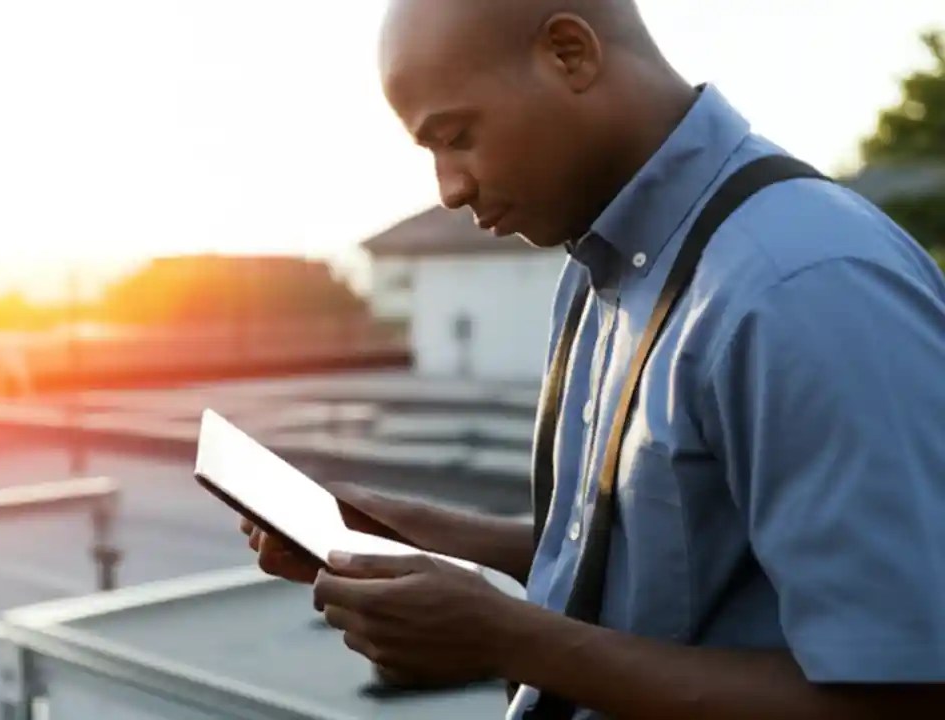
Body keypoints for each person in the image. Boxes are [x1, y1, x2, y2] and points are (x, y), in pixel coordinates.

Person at [239, 0, 945, 717]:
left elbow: (903, 701)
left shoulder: (804, 286)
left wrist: (509, 640)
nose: (450, 188)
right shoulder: (604, 268)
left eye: (456, 137)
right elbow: (664, 554)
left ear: (570, 52)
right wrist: (420, 532)